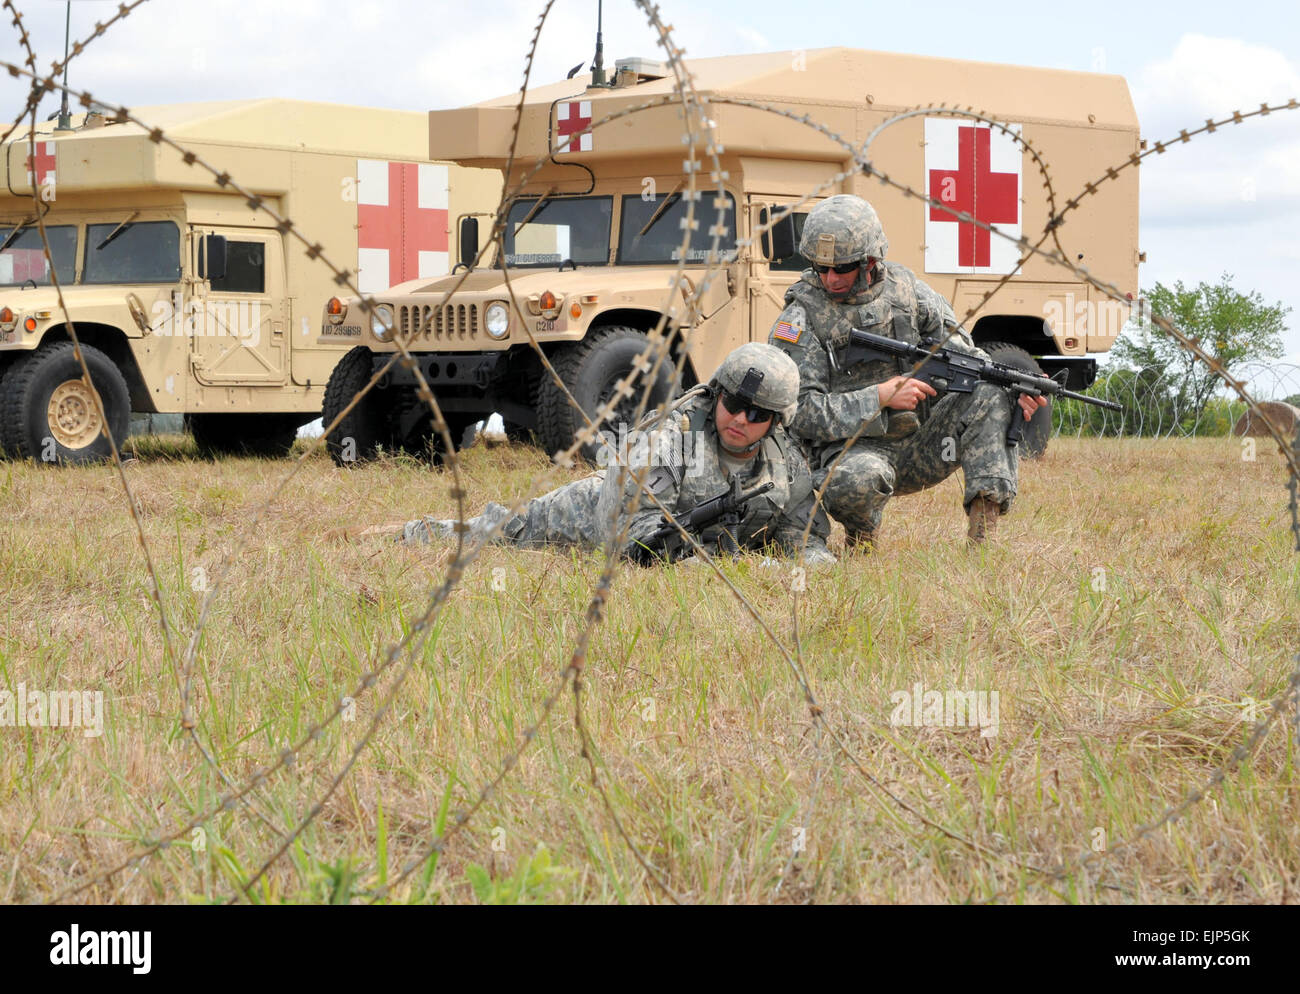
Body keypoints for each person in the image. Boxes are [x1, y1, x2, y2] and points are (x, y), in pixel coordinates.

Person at [767, 195, 1047, 545]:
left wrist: (1015, 389)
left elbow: (965, 357)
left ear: (870, 260)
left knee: (992, 394)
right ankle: (862, 541)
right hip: (853, 453)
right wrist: (879, 397)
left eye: (842, 267)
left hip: (924, 445)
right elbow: (797, 412)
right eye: (820, 268)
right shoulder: (802, 316)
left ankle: (982, 543)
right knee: (858, 479)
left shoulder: (909, 293)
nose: (830, 279)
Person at [400, 342, 836, 566]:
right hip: (595, 510)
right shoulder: (671, 438)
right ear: (717, 395)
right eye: (734, 404)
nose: (741, 418)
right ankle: (410, 532)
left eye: (758, 413)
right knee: (503, 529)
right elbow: (628, 532)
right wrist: (701, 560)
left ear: (778, 422)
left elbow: (803, 536)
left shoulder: (786, 462)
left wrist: (811, 563)